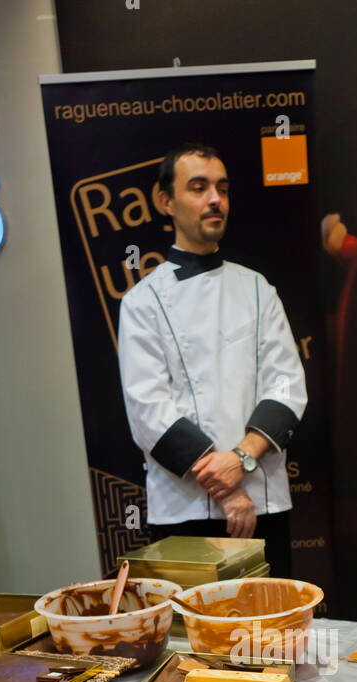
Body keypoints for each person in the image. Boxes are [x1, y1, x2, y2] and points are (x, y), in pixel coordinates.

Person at [118, 143, 307, 577]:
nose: (215, 199)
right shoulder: (142, 303)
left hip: (262, 502)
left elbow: (287, 386)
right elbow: (148, 410)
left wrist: (239, 459)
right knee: (191, 622)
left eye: (222, 188)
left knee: (272, 618)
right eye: (198, 188)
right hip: (184, 511)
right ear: (166, 202)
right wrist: (224, 488)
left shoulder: (258, 289)